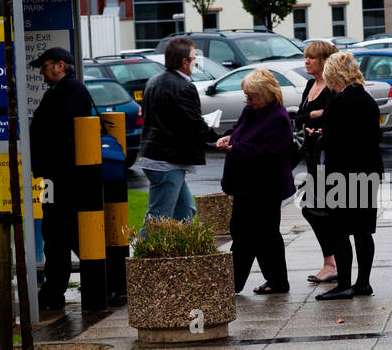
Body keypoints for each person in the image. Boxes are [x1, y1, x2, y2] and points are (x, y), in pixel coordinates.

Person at [28, 46, 95, 310]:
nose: (41, 73)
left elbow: (61, 133)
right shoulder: (60, 91)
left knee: (58, 232)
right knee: (56, 231)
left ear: (60, 66)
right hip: (53, 177)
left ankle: (57, 290)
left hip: (63, 178)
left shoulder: (72, 91)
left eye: (44, 67)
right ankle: (56, 290)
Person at [216, 69, 294, 295]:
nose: (249, 101)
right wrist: (228, 137)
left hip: (265, 186)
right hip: (247, 185)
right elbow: (239, 130)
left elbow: (272, 153)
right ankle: (248, 281)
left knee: (262, 234)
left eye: (252, 96)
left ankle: (268, 281)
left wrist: (237, 148)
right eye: (246, 96)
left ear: (266, 93)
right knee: (244, 232)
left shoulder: (278, 117)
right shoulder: (251, 110)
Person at [312, 52, 382, 300]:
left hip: (343, 173)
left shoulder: (338, 103)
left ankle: (343, 284)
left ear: (334, 76)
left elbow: (333, 141)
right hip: (368, 171)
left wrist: (319, 137)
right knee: (363, 231)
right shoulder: (367, 99)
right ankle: (363, 283)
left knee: (339, 230)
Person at [137, 37, 216, 231]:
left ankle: (181, 248)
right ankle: (144, 251)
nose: (195, 62)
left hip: (155, 156)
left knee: (185, 211)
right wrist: (213, 137)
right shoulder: (184, 86)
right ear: (184, 61)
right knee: (158, 218)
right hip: (167, 161)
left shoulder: (154, 81)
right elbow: (193, 122)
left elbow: (173, 119)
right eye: (194, 58)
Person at [293, 40, 339, 284]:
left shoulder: (332, 87)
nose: (307, 61)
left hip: (328, 158)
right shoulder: (311, 85)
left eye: (312, 57)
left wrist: (313, 118)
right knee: (314, 209)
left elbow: (333, 115)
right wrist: (313, 114)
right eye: (306, 57)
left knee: (319, 210)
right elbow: (299, 118)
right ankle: (331, 261)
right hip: (312, 156)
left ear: (324, 61)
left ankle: (332, 263)